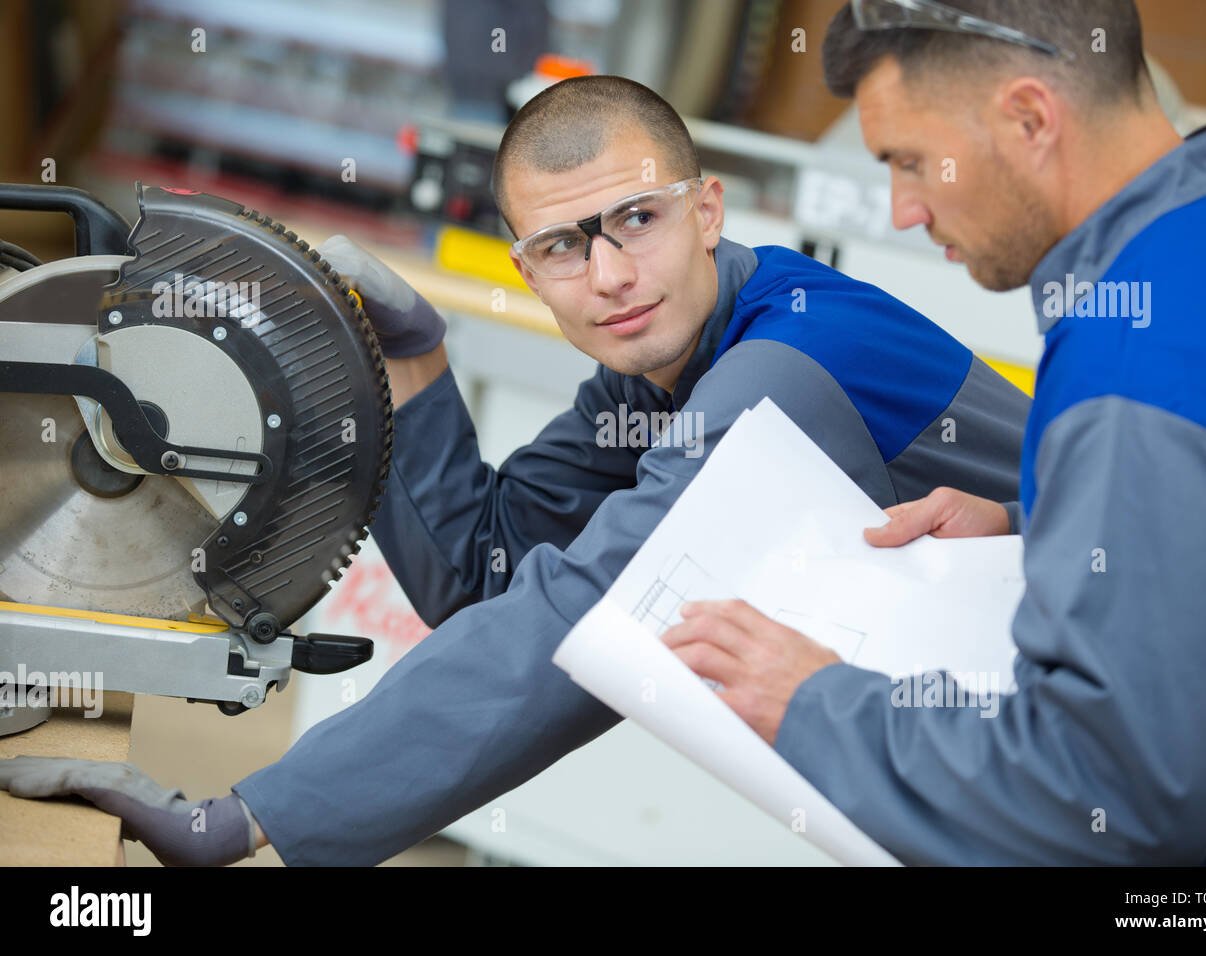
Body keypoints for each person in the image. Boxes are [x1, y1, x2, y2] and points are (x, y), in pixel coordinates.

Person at [0, 75, 1030, 865]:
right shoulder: (659, 365)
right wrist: (410, 364)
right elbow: (487, 577)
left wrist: (245, 812)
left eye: (638, 219)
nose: (612, 276)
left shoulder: (784, 361)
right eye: (562, 247)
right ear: (524, 266)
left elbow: (580, 615)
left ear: (708, 210)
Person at [663, 0, 1206, 865]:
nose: (902, 210)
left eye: (912, 162)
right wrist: (1047, 522)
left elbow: (1112, 802)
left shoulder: (1131, 367)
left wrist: (812, 703)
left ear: (1031, 118)